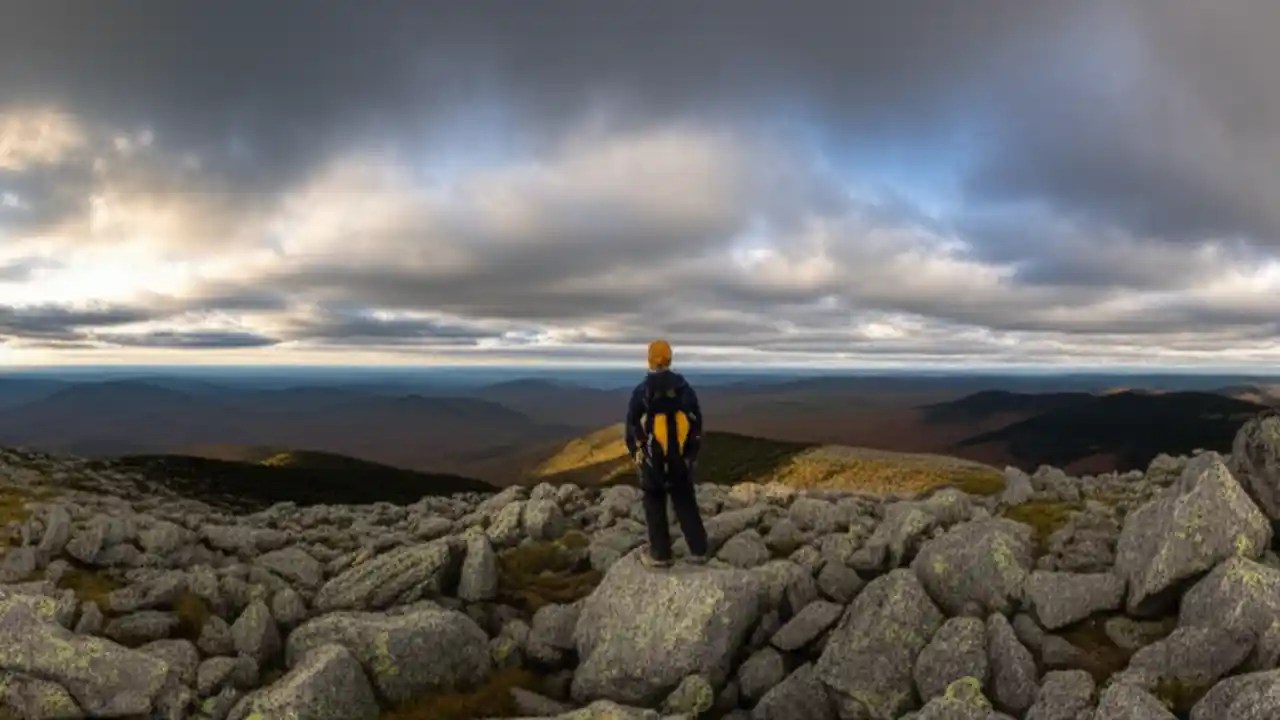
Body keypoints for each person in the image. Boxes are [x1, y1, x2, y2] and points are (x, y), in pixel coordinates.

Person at [624, 339, 709, 568]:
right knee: (685, 502)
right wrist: (690, 455)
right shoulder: (684, 389)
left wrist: (638, 455)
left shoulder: (642, 391)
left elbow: (632, 426)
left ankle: (661, 554)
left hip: (653, 461)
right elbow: (696, 423)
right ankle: (699, 550)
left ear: (649, 360)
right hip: (680, 460)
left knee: (654, 502)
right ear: (670, 360)